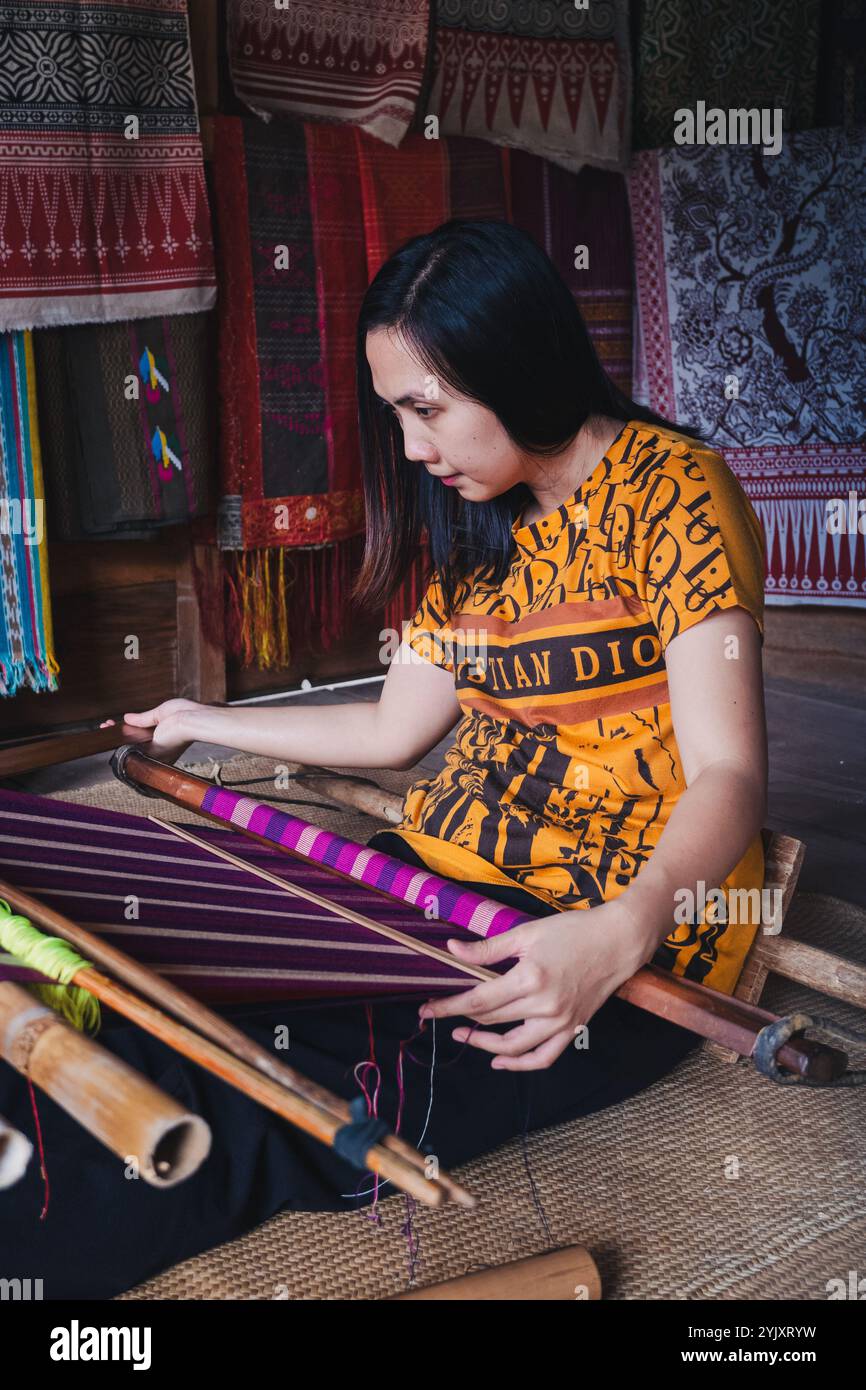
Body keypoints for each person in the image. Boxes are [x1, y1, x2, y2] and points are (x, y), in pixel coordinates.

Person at [2, 219, 768, 1298]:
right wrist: (203, 719)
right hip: (429, 886)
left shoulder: (672, 492)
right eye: (397, 415)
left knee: (273, 1097)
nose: (411, 450)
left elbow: (729, 774)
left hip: (608, 946)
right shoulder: (479, 522)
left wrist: (614, 936)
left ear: (515, 365)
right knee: (155, 982)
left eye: (426, 409)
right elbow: (391, 730)